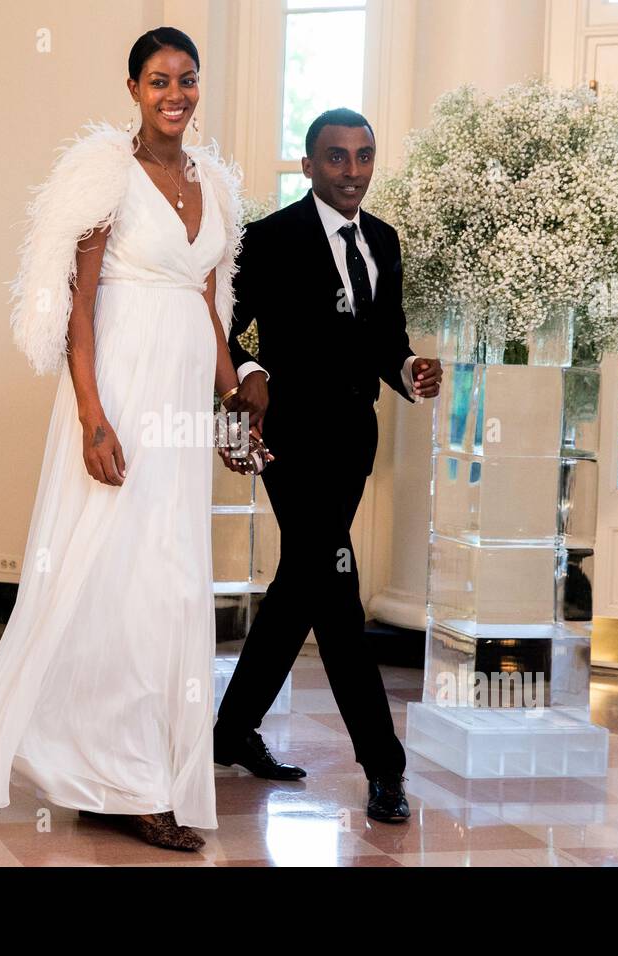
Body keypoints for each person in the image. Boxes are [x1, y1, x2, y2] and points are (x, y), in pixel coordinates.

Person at [0, 27, 252, 852]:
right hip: (118, 395)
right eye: (159, 80)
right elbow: (77, 307)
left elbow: (208, 306)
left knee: (167, 586)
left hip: (181, 409)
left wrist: (233, 396)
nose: (176, 94)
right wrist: (92, 414)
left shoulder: (216, 185)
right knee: (108, 583)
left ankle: (126, 773)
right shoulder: (104, 174)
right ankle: (116, 779)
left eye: (188, 80)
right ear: (132, 88)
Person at [215, 108, 443, 824]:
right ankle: (385, 767)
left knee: (301, 584)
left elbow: (386, 338)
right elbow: (223, 325)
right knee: (338, 593)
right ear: (309, 164)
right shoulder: (269, 238)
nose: (353, 171)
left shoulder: (383, 239)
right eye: (337, 158)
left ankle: (230, 730)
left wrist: (409, 368)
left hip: (352, 443)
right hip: (290, 439)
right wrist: (250, 370)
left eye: (364, 156)